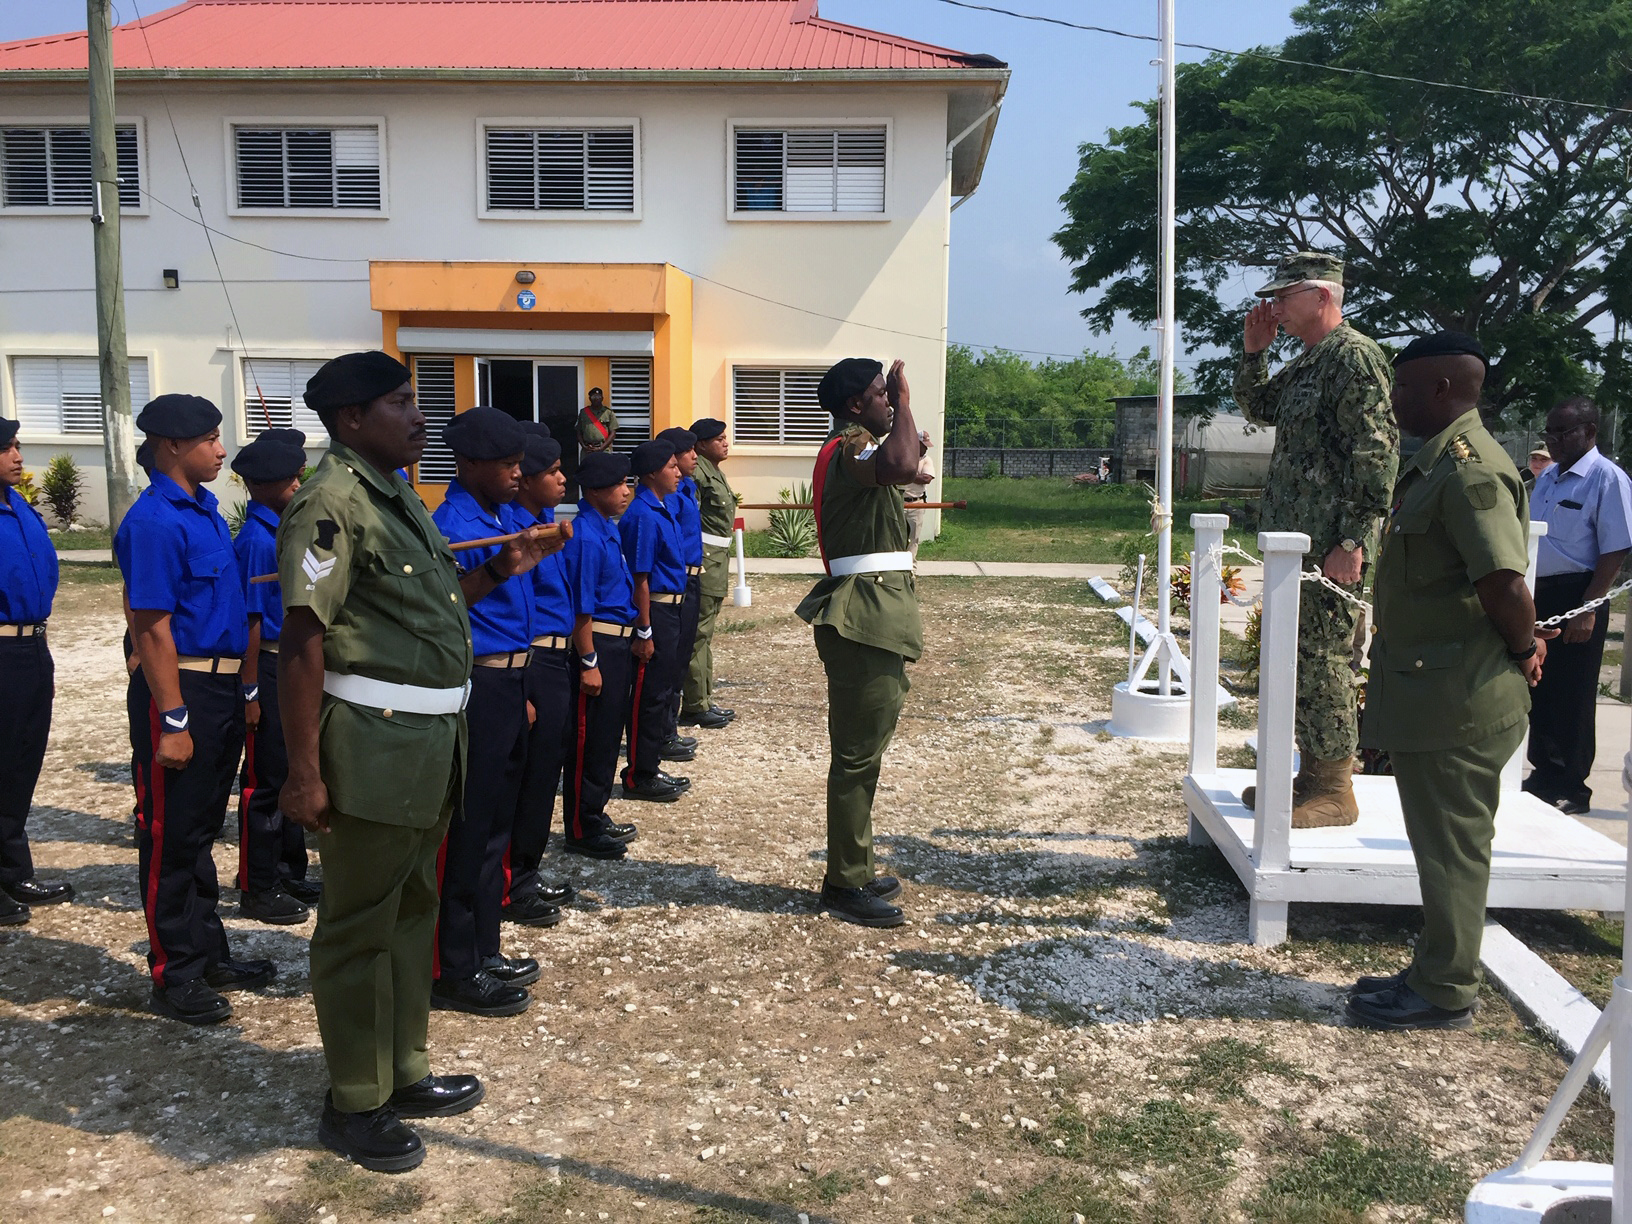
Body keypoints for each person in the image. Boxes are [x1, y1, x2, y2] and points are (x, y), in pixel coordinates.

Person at [277, 352, 555, 1171]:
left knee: (410, 915)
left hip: (431, 740)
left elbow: (426, 611)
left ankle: (402, 1070)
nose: (420, 416)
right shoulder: (329, 504)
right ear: (353, 419)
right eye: (401, 402)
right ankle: (353, 1100)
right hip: (372, 743)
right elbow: (303, 638)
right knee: (359, 925)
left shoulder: (398, 500)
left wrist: (505, 567)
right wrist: (302, 771)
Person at [1348, 331, 1552, 1031]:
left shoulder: (1466, 471)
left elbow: (1502, 583)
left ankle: (1446, 990)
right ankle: (1435, 964)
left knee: (1454, 849)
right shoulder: (1438, 463)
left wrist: (1526, 646)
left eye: (1404, 388)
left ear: (1443, 389)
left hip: (1458, 697)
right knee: (1440, 845)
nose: (1394, 399)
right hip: (1435, 690)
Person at [116, 394, 277, 1025]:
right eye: (211, 439)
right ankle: (173, 972)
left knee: (202, 827)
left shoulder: (206, 512)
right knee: (170, 836)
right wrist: (174, 719)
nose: (221, 450)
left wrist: (241, 691)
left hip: (217, 688)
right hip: (179, 690)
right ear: (173, 447)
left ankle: (208, 950)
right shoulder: (154, 521)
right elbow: (152, 627)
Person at [1233, 251, 1398, 827]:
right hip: (1295, 547)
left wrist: (1352, 540)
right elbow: (1260, 407)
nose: (1274, 305)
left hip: (1331, 548)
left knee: (1325, 661)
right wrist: (1255, 355)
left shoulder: (1354, 358)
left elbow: (1375, 453)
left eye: (1285, 295)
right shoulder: (1312, 360)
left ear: (1323, 295)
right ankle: (1309, 776)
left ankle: (1336, 788)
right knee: (1298, 661)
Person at [431, 406, 563, 1017]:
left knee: (495, 827)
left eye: (520, 464)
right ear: (472, 464)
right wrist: (503, 563)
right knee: (467, 830)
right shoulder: (454, 524)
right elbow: (445, 606)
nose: (518, 474)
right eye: (507, 464)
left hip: (513, 681)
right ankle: (453, 965)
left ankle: (483, 947)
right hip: (477, 684)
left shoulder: (503, 515)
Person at [795, 357, 922, 929]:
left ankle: (856, 865)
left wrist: (906, 452)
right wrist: (907, 401)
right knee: (855, 758)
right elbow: (896, 460)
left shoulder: (854, 448)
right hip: (861, 614)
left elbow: (900, 465)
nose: (888, 401)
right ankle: (844, 882)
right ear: (854, 406)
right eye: (880, 393)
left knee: (865, 753)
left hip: (876, 610)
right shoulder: (850, 446)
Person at [1523, 396, 1632, 815]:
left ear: (1589, 432)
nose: (1552, 441)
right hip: (1539, 592)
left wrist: (1588, 607)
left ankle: (1571, 784)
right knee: (1540, 686)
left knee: (1573, 690)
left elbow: (1615, 548)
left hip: (1579, 594)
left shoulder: (1607, 478)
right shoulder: (1548, 478)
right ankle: (1543, 773)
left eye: (1562, 432)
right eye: (1548, 432)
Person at [231, 431, 317, 926]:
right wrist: (250, 690)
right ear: (267, 485)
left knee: (290, 770)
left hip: (288, 662)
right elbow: (250, 621)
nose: (298, 484)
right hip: (264, 663)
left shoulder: (283, 531)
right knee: (264, 781)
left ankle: (289, 870)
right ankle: (257, 883)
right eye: (291, 478)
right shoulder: (258, 541)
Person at [0, 417, 71, 927]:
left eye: (17, 444)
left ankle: (11, 871)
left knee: (21, 763)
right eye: (6, 448)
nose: (17, 455)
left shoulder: (19, 506)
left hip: (31, 646)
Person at [506, 429, 576, 925]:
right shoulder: (513, 531)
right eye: (552, 472)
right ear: (525, 479)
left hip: (556, 658)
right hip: (530, 662)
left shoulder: (544, 522)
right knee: (524, 780)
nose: (561, 478)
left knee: (543, 774)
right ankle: (512, 884)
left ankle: (526, 873)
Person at [561, 451, 642, 859]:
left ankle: (594, 811)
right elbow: (581, 609)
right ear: (594, 490)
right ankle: (580, 826)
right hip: (599, 645)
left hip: (617, 642)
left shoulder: (605, 530)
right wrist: (589, 661)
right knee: (589, 739)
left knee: (609, 735)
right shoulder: (586, 537)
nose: (627, 491)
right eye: (618, 485)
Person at [618, 438, 692, 802]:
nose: (678, 471)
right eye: (671, 467)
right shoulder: (643, 515)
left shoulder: (660, 508)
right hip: (656, 611)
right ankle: (638, 773)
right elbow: (639, 578)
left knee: (662, 690)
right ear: (651, 473)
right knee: (647, 695)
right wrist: (644, 628)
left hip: (671, 608)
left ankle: (650, 762)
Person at [681, 418, 737, 730]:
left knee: (706, 633)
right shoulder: (699, 473)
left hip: (717, 559)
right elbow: (691, 521)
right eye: (718, 438)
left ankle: (703, 698)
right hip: (705, 559)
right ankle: (694, 704)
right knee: (699, 634)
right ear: (701, 444)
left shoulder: (712, 470)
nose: (725, 442)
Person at [656, 425, 704, 762]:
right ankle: (661, 732)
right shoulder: (668, 496)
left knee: (682, 655)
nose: (694, 457)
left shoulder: (686, 488)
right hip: (676, 582)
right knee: (668, 664)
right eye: (688, 452)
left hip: (692, 578)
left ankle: (668, 727)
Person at [904, 430, 936, 562]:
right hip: (899, 502)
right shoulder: (903, 456)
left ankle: (911, 571)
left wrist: (905, 475)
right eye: (924, 444)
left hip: (917, 503)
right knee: (895, 537)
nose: (926, 448)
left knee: (913, 539)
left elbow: (926, 478)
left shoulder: (926, 460)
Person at [576, 387, 617, 456]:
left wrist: (601, 448)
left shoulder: (608, 412)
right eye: (594, 397)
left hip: (603, 450)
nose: (596, 399)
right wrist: (584, 446)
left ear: (602, 398)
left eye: (598, 397)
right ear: (590, 399)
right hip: (587, 449)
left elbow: (613, 434)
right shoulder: (583, 412)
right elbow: (578, 431)